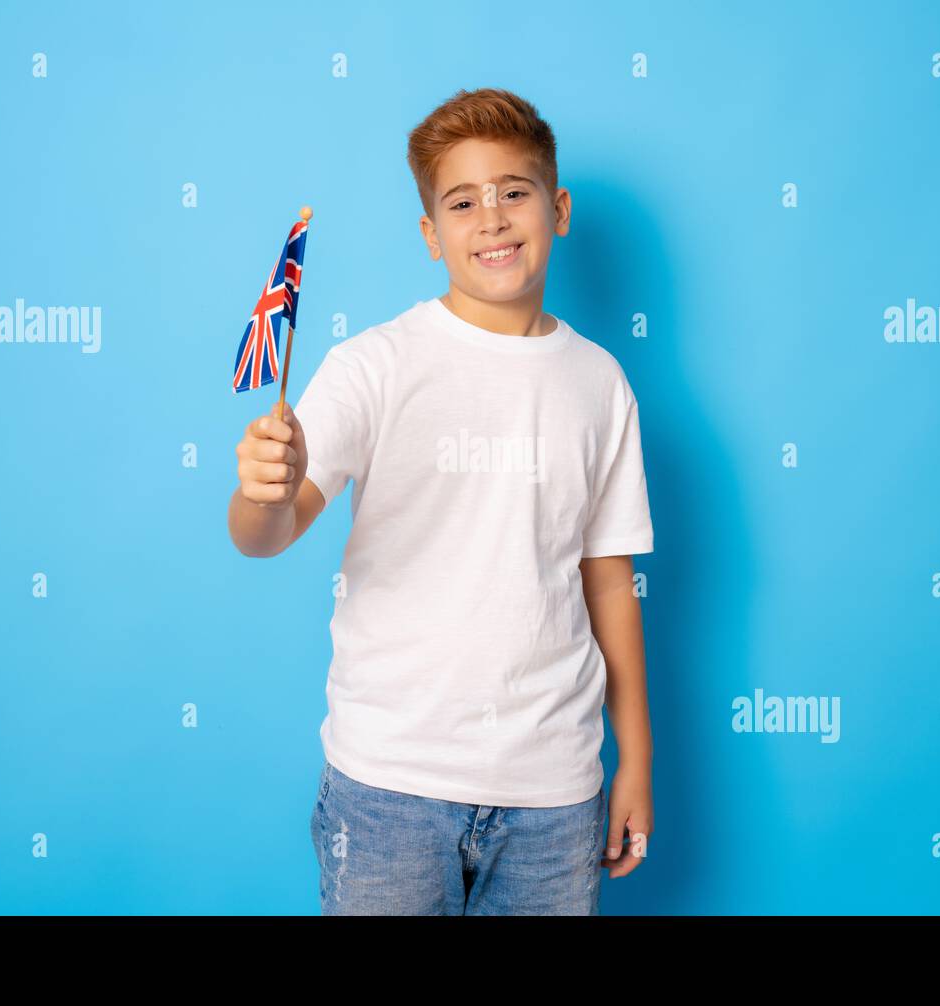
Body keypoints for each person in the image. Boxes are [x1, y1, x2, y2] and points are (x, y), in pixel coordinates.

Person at [227, 87, 655, 915]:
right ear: (432, 235)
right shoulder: (374, 366)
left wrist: (632, 756)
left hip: (554, 792)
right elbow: (266, 533)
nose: (491, 218)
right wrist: (263, 492)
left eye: (514, 192)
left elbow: (609, 581)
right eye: (462, 202)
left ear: (557, 209)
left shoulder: (601, 384)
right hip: (389, 786)